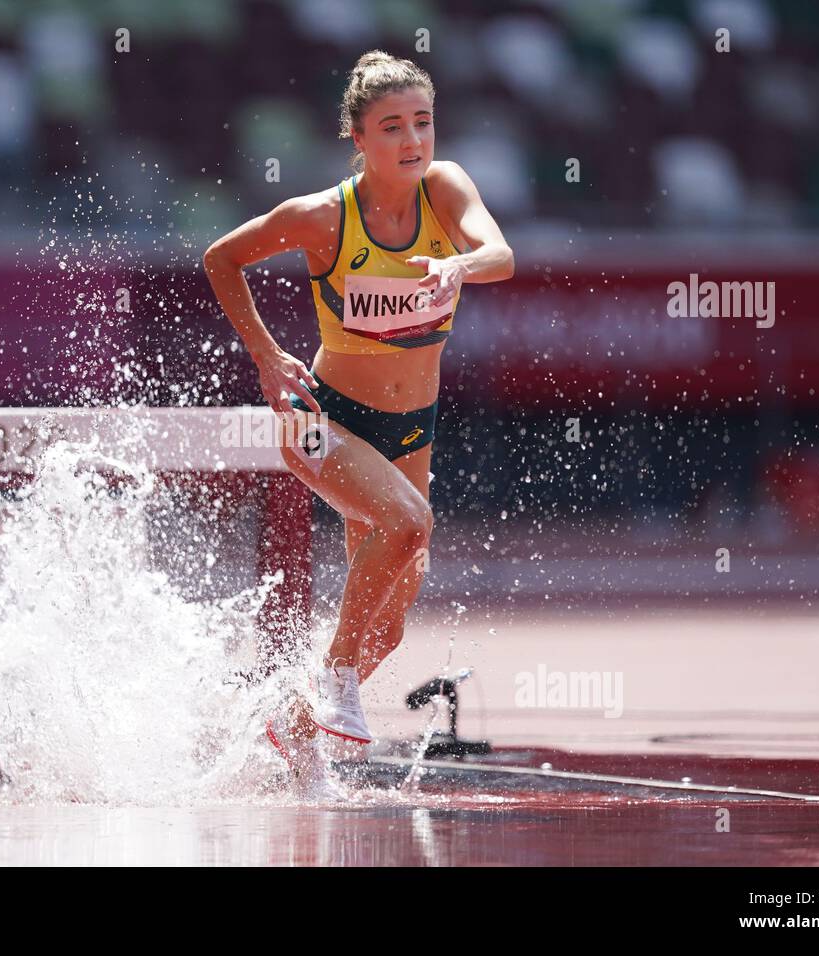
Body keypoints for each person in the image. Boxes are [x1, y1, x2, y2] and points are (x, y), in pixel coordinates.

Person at [203, 50, 514, 794]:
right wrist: (266, 355)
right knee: (409, 523)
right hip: (323, 420)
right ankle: (336, 675)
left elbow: (500, 253)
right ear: (358, 138)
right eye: (392, 127)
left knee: (392, 622)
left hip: (410, 429)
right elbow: (221, 258)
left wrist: (458, 266)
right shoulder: (322, 217)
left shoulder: (445, 189)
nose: (413, 140)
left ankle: (292, 724)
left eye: (422, 123)